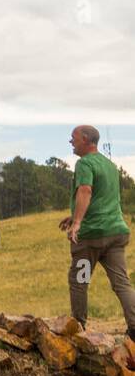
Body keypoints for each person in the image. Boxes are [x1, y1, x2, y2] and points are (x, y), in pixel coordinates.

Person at [60, 125, 135, 339]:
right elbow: (102, 197)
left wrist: (77, 224)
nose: (70, 141)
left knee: (80, 279)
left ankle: (79, 328)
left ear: (85, 139)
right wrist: (74, 216)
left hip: (91, 240)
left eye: (73, 137)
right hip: (115, 235)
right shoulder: (110, 166)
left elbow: (86, 190)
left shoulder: (84, 163)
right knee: (121, 282)